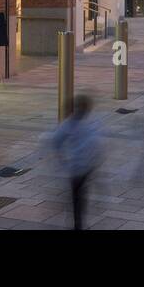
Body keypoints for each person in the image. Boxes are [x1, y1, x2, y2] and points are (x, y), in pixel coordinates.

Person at [51, 94, 102, 229]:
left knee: (79, 195)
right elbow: (56, 142)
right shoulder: (76, 123)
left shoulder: (75, 123)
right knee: (79, 196)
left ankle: (78, 222)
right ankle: (78, 223)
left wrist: (62, 159)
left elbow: (56, 142)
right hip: (78, 168)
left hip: (83, 167)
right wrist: (62, 159)